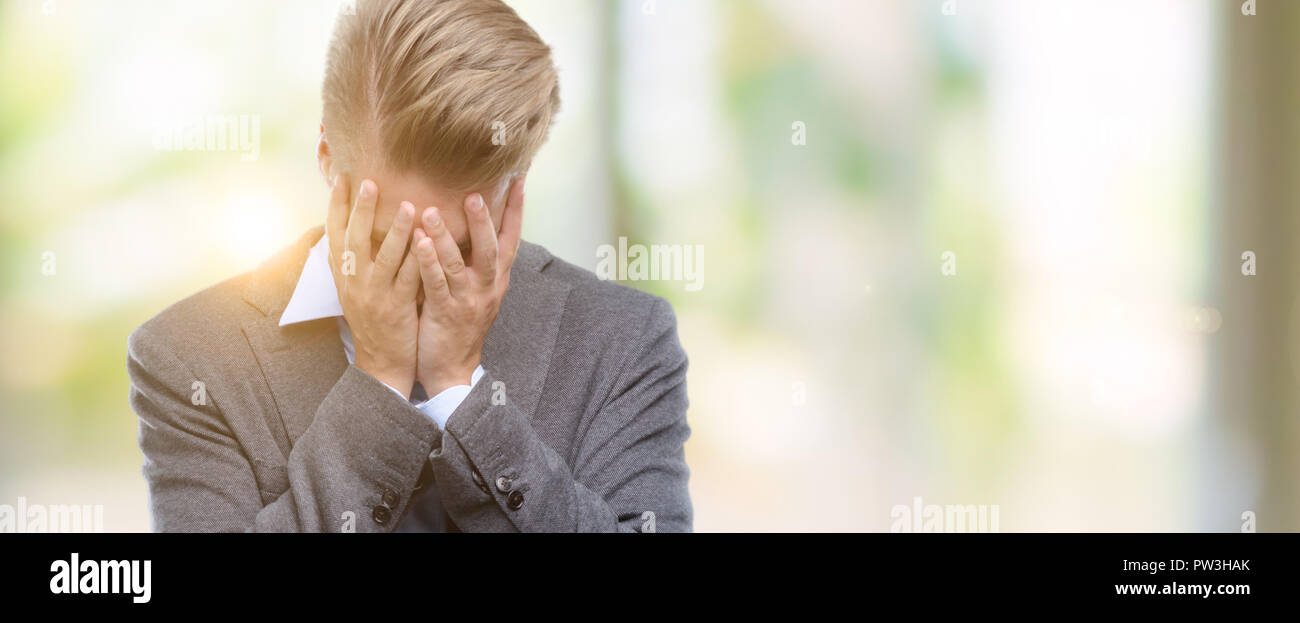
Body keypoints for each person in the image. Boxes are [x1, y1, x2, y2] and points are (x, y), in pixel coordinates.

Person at [126, 0, 691, 532]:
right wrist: (378, 380)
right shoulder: (187, 357)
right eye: (385, 242)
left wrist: (460, 393)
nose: (420, 274)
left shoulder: (624, 341)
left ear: (515, 185)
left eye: (458, 245)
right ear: (327, 158)